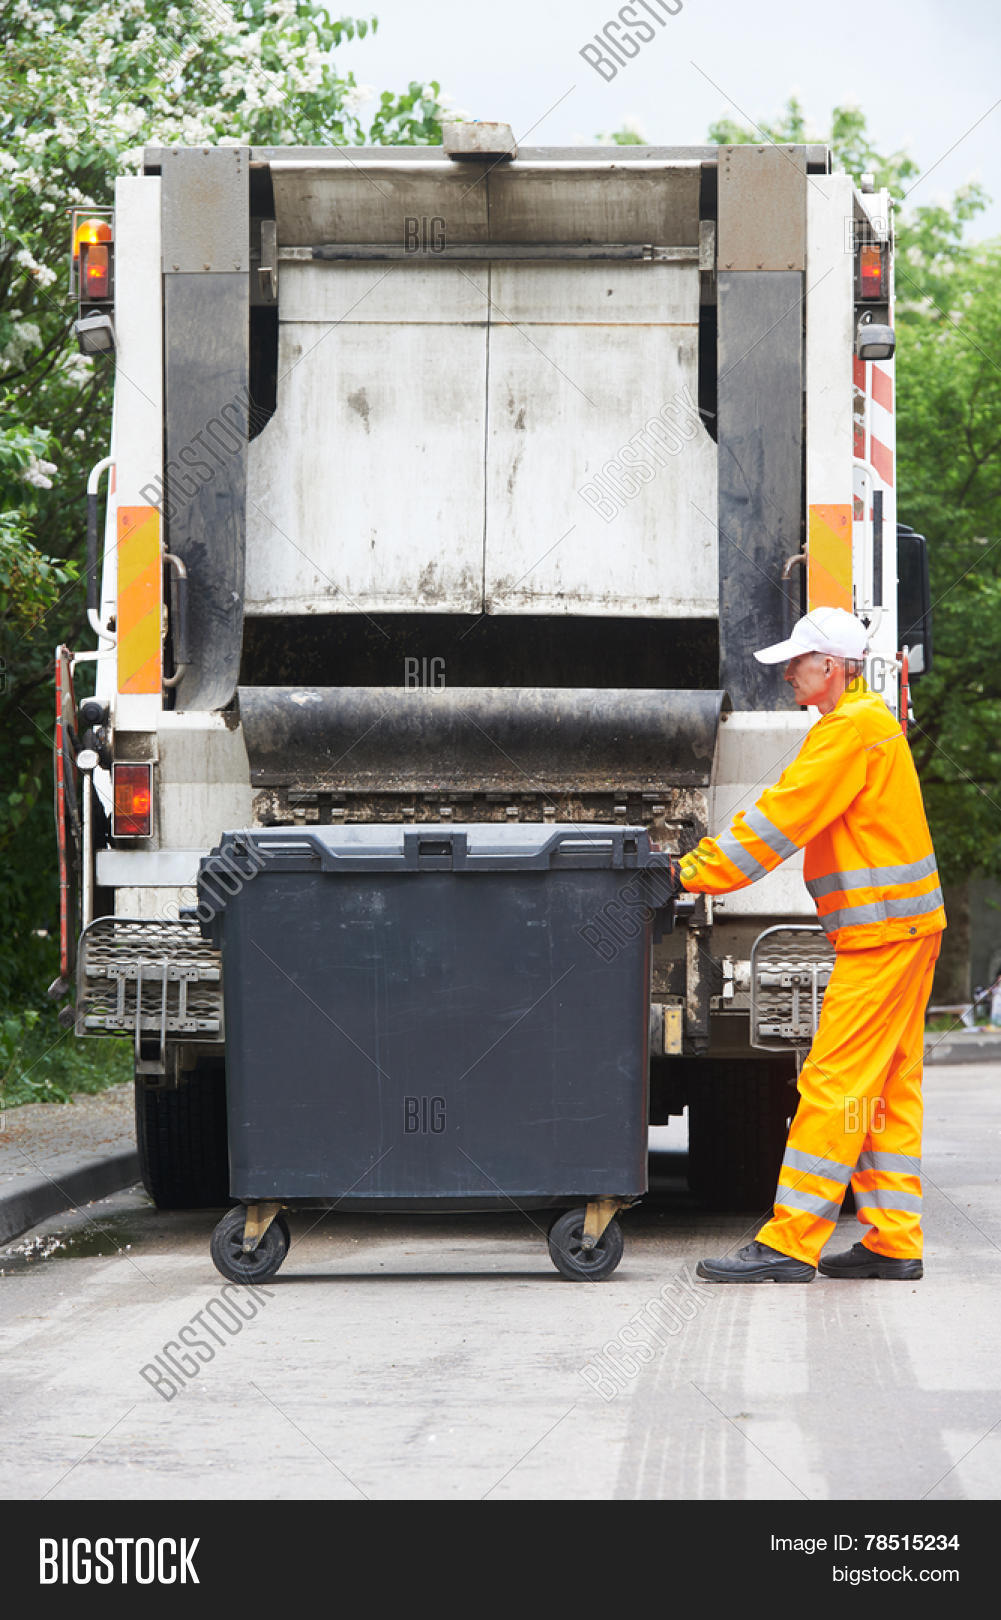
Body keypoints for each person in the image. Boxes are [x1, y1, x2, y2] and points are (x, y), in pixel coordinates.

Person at [675, 607, 946, 1283]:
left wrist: (687, 871)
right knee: (881, 1090)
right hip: (902, 932)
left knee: (831, 1081)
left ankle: (790, 1242)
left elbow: (779, 818)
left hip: (883, 936)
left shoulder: (849, 729)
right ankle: (892, 1239)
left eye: (797, 661)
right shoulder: (867, 725)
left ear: (832, 667)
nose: (787, 672)